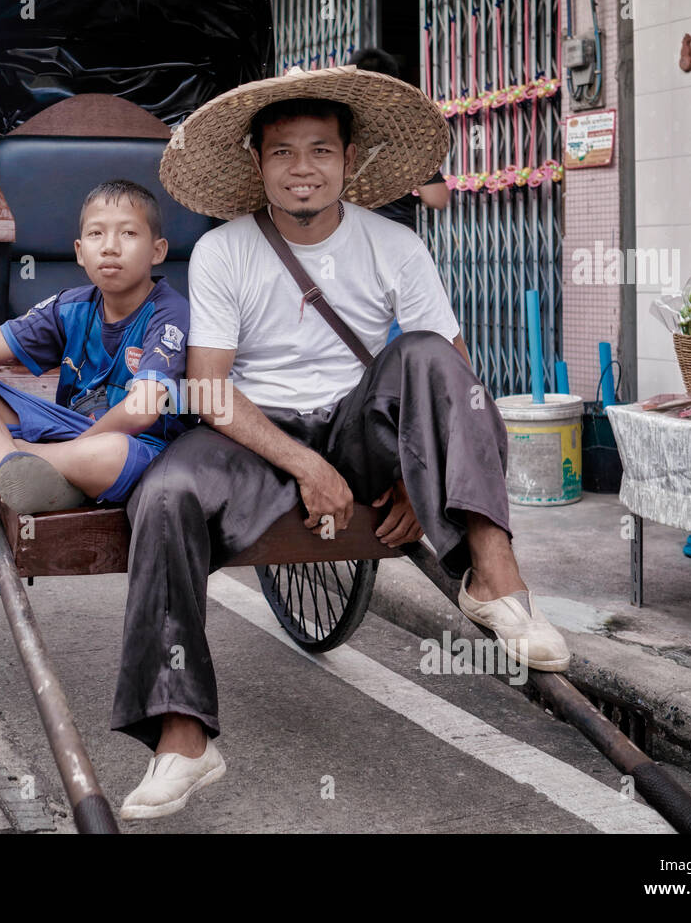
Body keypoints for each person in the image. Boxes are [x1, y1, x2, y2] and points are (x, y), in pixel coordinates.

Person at [109, 66, 571, 819]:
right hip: (256, 438)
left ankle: (495, 577)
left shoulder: (394, 244)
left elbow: (454, 377)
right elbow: (210, 389)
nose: (302, 169)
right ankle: (184, 739)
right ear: (257, 164)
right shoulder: (224, 251)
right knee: (162, 495)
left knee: (427, 352)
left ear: (349, 162)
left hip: (359, 425)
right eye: (284, 152)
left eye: (320, 151)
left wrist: (427, 481)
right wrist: (306, 464)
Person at [0, 180, 192, 513]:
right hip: (64, 432)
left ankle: (4, 461)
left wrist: (23, 449)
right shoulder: (70, 307)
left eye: (129, 234)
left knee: (110, 453)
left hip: (135, 446)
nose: (110, 247)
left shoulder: (169, 312)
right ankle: (16, 464)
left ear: (158, 251)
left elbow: (142, 411)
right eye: (96, 234)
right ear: (79, 252)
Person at [350, 48, 450, 231]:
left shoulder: (338, 133)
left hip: (347, 237)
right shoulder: (406, 138)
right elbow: (437, 198)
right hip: (395, 238)